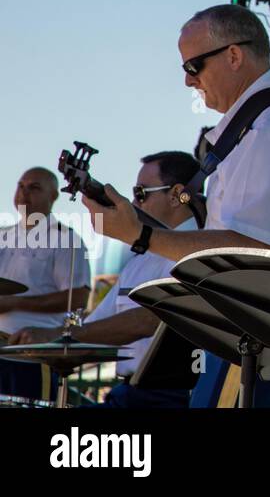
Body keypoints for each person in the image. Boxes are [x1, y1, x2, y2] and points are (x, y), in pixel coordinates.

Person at [83, 4, 270, 407]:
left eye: (194, 66)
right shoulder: (269, 121)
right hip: (256, 342)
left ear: (234, 55)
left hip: (260, 346)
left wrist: (141, 234)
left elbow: (248, 250)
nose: (188, 81)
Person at [12, 151, 201, 408]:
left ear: (177, 195)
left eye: (141, 193)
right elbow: (92, 327)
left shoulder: (197, 252)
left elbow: (151, 319)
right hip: (130, 392)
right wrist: (49, 343)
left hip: (173, 396)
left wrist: (57, 336)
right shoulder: (140, 259)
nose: (134, 202)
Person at [0, 167, 91, 401]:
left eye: (34, 187)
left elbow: (78, 297)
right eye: (21, 186)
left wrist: (14, 303)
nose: (24, 193)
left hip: (31, 352)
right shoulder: (3, 236)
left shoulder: (66, 239)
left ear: (53, 196)